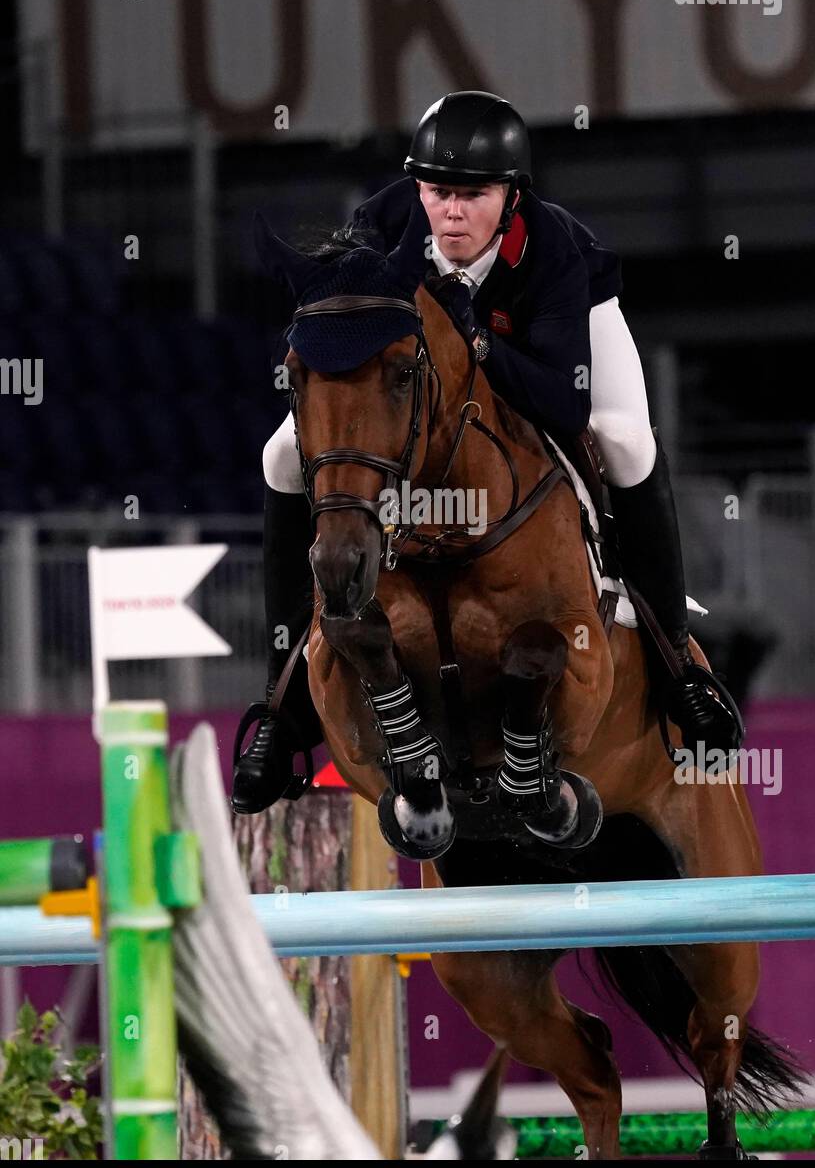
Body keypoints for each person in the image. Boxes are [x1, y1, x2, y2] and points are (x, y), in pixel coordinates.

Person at [232, 91, 742, 814]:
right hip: (426, 394)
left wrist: (472, 341)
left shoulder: (556, 252)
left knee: (627, 442)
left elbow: (563, 401)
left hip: (548, 359)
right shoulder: (378, 230)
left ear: (510, 196)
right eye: (439, 192)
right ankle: (283, 704)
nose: (453, 212)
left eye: (474, 195)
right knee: (278, 458)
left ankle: (678, 665)